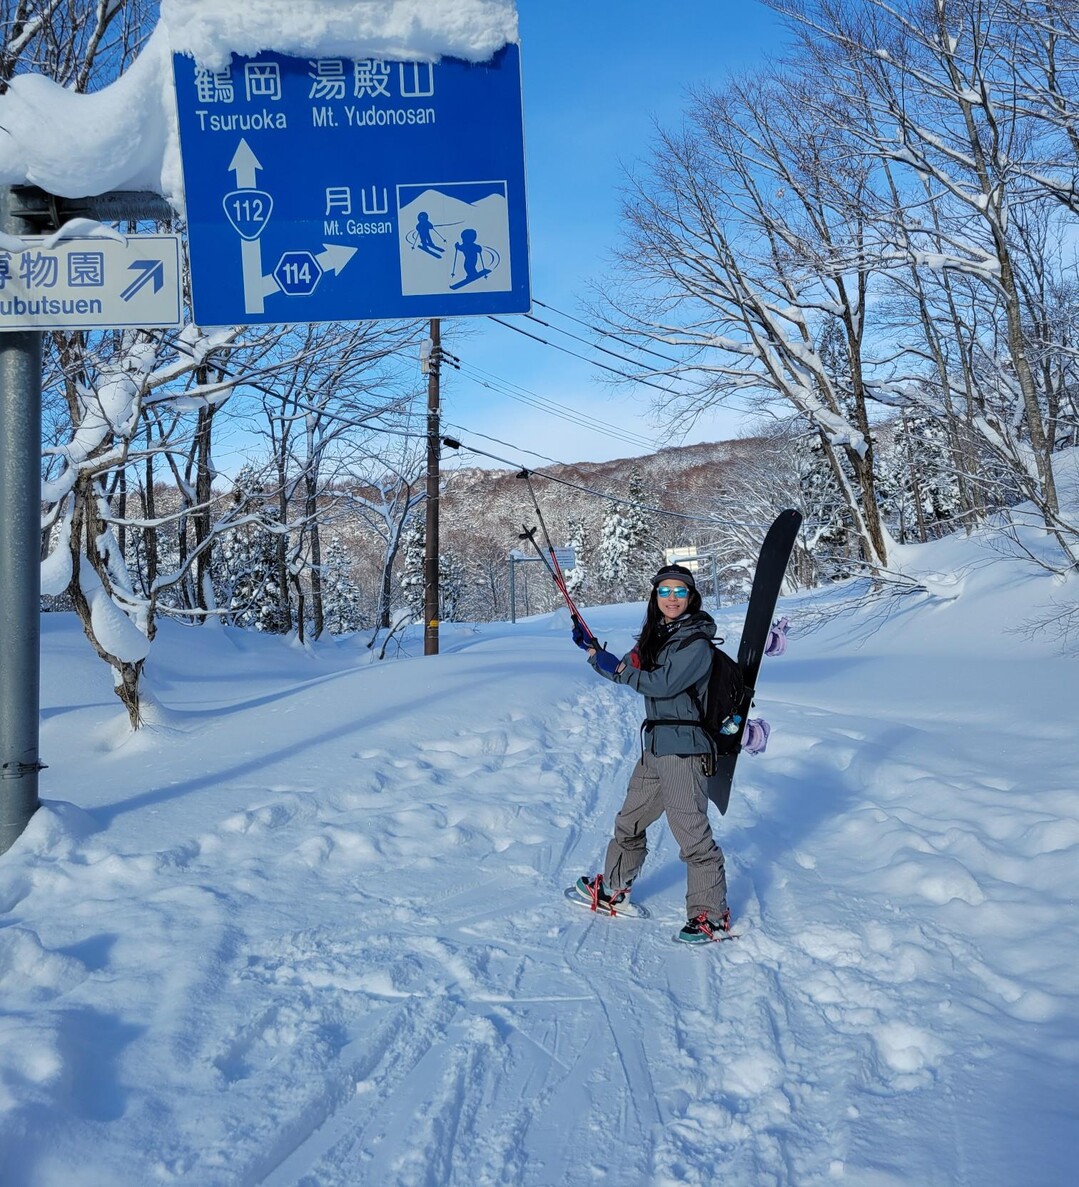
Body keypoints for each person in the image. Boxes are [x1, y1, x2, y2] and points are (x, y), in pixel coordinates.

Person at [569, 564, 731, 944]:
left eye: (679, 592)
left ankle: (711, 916)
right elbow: (627, 668)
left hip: (685, 751)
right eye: (665, 591)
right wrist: (595, 653)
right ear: (655, 596)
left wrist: (622, 669)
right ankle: (613, 888)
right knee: (630, 822)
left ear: (691, 597)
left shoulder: (696, 643)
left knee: (692, 836)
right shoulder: (656, 637)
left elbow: (662, 684)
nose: (671, 598)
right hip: (656, 748)